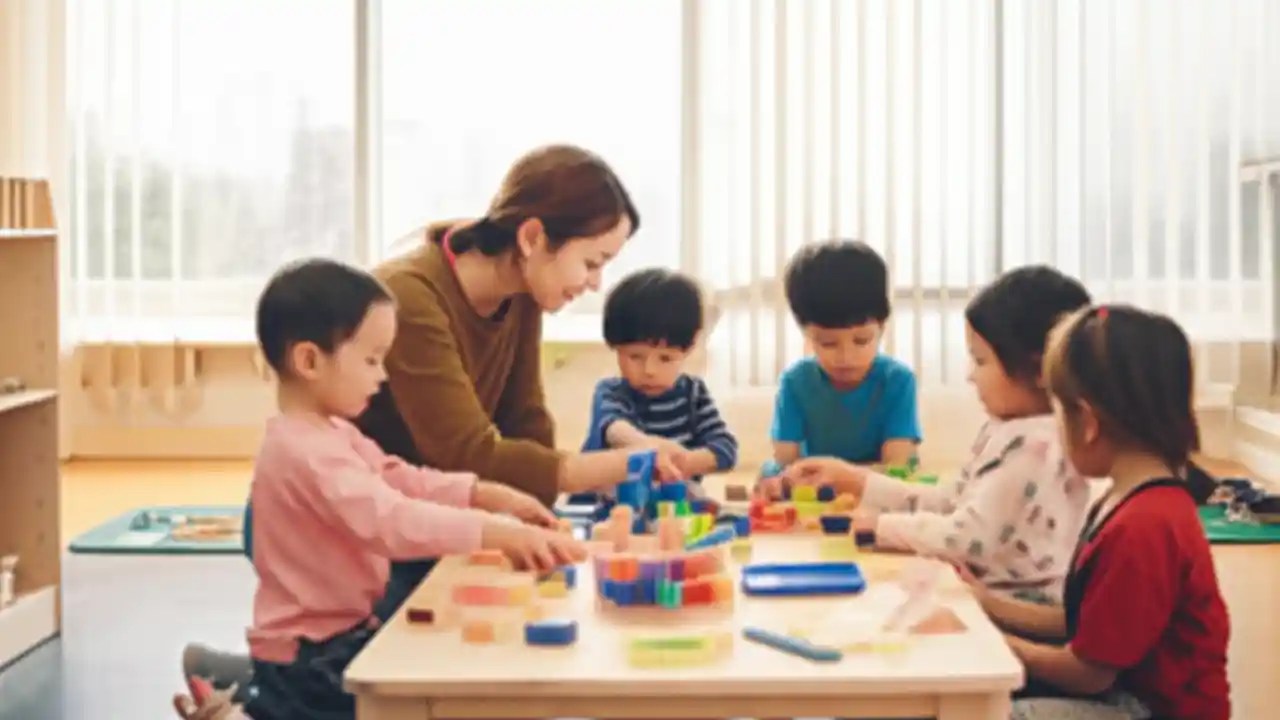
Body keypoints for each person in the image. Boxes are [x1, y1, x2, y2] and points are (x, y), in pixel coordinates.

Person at [180, 259, 586, 720]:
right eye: (372, 359)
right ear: (309, 360)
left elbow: (399, 477)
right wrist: (496, 532)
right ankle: (236, 710)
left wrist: (485, 493)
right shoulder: (306, 451)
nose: (384, 375)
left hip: (336, 637)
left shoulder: (329, 431)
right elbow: (390, 519)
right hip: (313, 657)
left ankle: (241, 697)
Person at [971, 305, 1230, 720]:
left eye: (1058, 412)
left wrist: (1003, 647)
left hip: (1148, 709)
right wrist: (988, 605)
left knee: (986, 712)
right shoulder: (1125, 500)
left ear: (1088, 423)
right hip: (1120, 692)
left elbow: (1090, 673)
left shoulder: (1144, 526)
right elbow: (1084, 622)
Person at [775, 266, 1093, 601]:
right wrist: (859, 481)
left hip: (1014, 604)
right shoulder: (1009, 430)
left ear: (1040, 368)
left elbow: (967, 537)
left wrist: (882, 526)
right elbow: (950, 502)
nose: (971, 377)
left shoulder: (1036, 444)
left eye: (980, 361)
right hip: (985, 590)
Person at [767, 240, 921, 474]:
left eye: (862, 341)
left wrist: (841, 477)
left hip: (875, 490)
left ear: (882, 327)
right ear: (806, 334)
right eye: (828, 343)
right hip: (813, 488)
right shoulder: (795, 382)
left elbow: (898, 465)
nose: (846, 357)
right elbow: (785, 460)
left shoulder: (897, 381)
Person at [581, 268, 739, 488]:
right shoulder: (611, 392)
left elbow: (725, 449)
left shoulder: (693, 394)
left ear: (689, 348)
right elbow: (615, 429)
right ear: (614, 346)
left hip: (672, 509)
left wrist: (684, 461)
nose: (649, 370)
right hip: (605, 508)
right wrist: (649, 448)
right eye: (635, 356)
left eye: (665, 358)